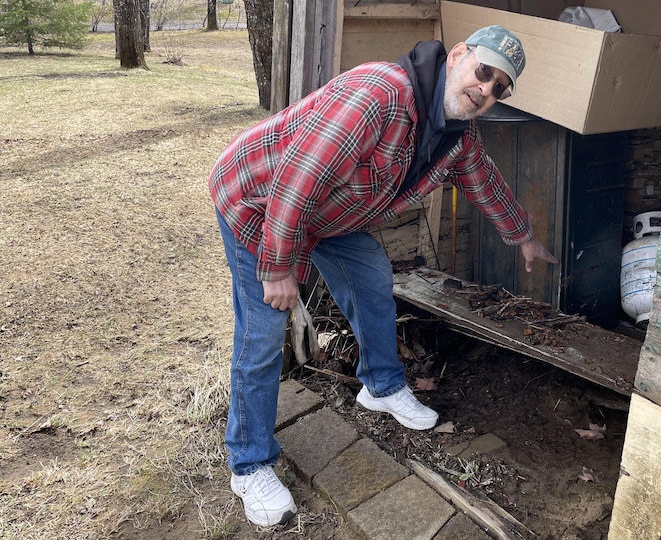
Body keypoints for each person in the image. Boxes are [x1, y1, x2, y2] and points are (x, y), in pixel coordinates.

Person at [209, 25, 558, 528]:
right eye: (484, 72)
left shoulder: (456, 136)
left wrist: (523, 236)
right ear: (458, 55)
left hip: (331, 214)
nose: (486, 90)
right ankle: (249, 463)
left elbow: (486, 182)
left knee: (372, 280)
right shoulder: (380, 95)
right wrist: (278, 266)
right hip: (260, 202)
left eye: (500, 87)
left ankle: (381, 386)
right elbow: (297, 178)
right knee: (263, 334)